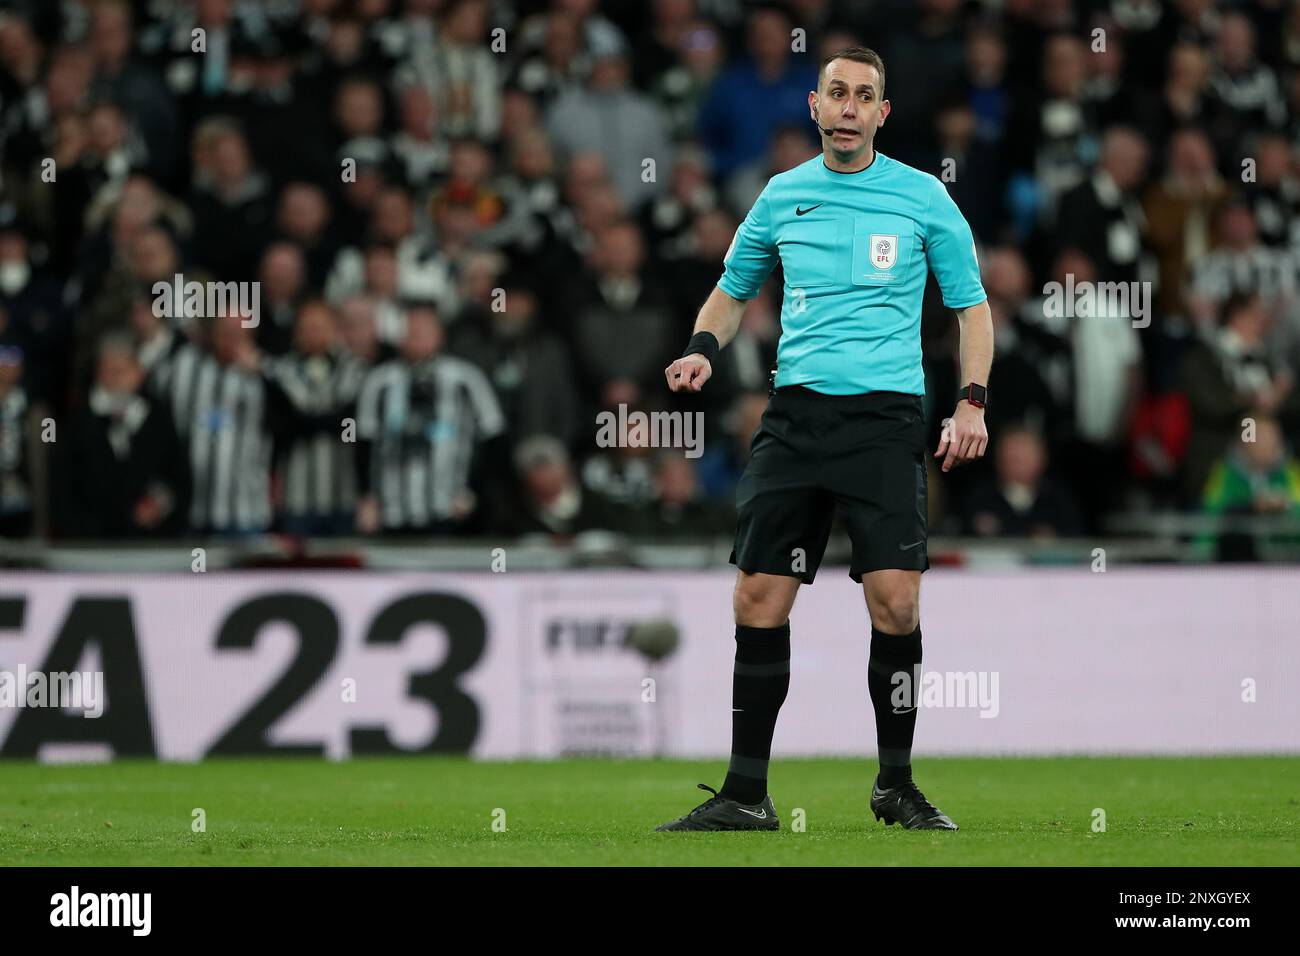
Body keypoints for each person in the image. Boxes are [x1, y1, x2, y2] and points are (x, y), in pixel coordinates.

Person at [657, 48, 992, 832]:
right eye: (836, 92)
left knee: (896, 604)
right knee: (758, 597)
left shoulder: (922, 197)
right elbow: (731, 292)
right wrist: (700, 350)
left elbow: (972, 308)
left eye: (863, 96)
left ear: (882, 112)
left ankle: (896, 785)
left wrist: (971, 402)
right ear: (815, 106)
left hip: (883, 422)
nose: (848, 107)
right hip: (797, 418)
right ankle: (746, 794)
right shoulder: (781, 196)